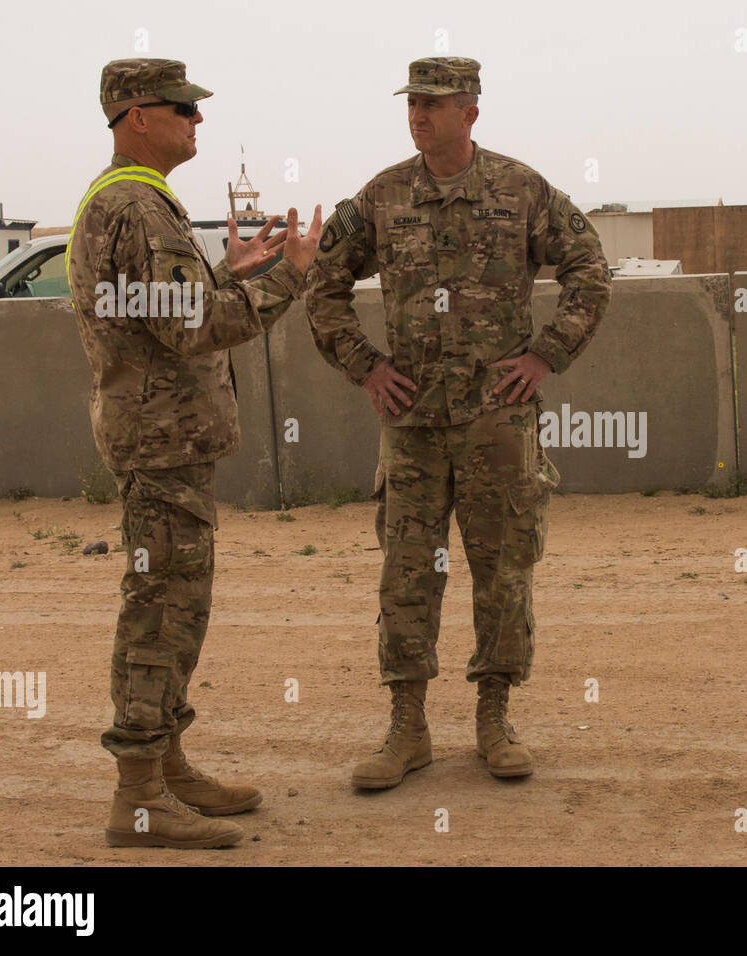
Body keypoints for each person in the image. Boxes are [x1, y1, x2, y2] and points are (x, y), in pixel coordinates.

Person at [306, 56, 611, 788]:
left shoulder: (522, 190)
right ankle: (406, 727)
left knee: (503, 569)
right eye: (412, 101)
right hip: (411, 424)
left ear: (471, 111)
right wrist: (367, 367)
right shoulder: (381, 196)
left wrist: (545, 354)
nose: (419, 114)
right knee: (407, 573)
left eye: (435, 103)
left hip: (496, 421)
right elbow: (324, 286)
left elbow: (590, 271)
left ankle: (494, 717)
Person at [67, 58, 322, 847]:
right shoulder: (138, 207)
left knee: (178, 607)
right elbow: (189, 329)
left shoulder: (130, 202)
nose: (196, 120)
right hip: (160, 440)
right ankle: (138, 796)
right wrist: (290, 279)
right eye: (182, 107)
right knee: (160, 611)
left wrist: (223, 271)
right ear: (136, 115)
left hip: (159, 437)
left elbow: (157, 309)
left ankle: (167, 766)